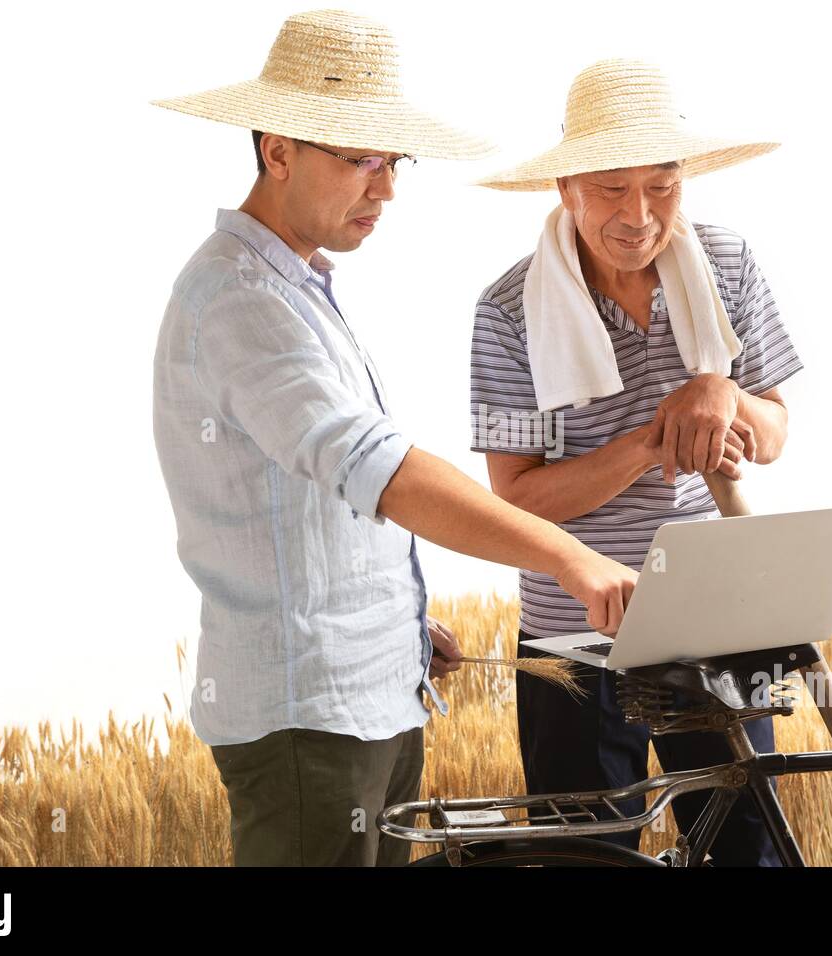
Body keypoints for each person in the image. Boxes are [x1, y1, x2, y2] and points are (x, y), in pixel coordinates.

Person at [149, 10, 637, 867]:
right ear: (277, 150)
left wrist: (398, 619)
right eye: (358, 160)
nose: (385, 190)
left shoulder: (295, 285)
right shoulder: (240, 300)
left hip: (365, 701)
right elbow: (381, 470)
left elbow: (316, 506)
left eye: (391, 161)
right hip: (310, 722)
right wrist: (566, 555)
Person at [468, 59, 804, 865]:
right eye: (611, 189)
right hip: (575, 637)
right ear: (565, 189)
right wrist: (650, 443)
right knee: (588, 855)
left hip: (716, 615)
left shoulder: (726, 264)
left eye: (661, 186)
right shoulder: (507, 310)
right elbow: (516, 499)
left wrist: (722, 392)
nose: (639, 214)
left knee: (748, 849)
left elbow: (775, 430)